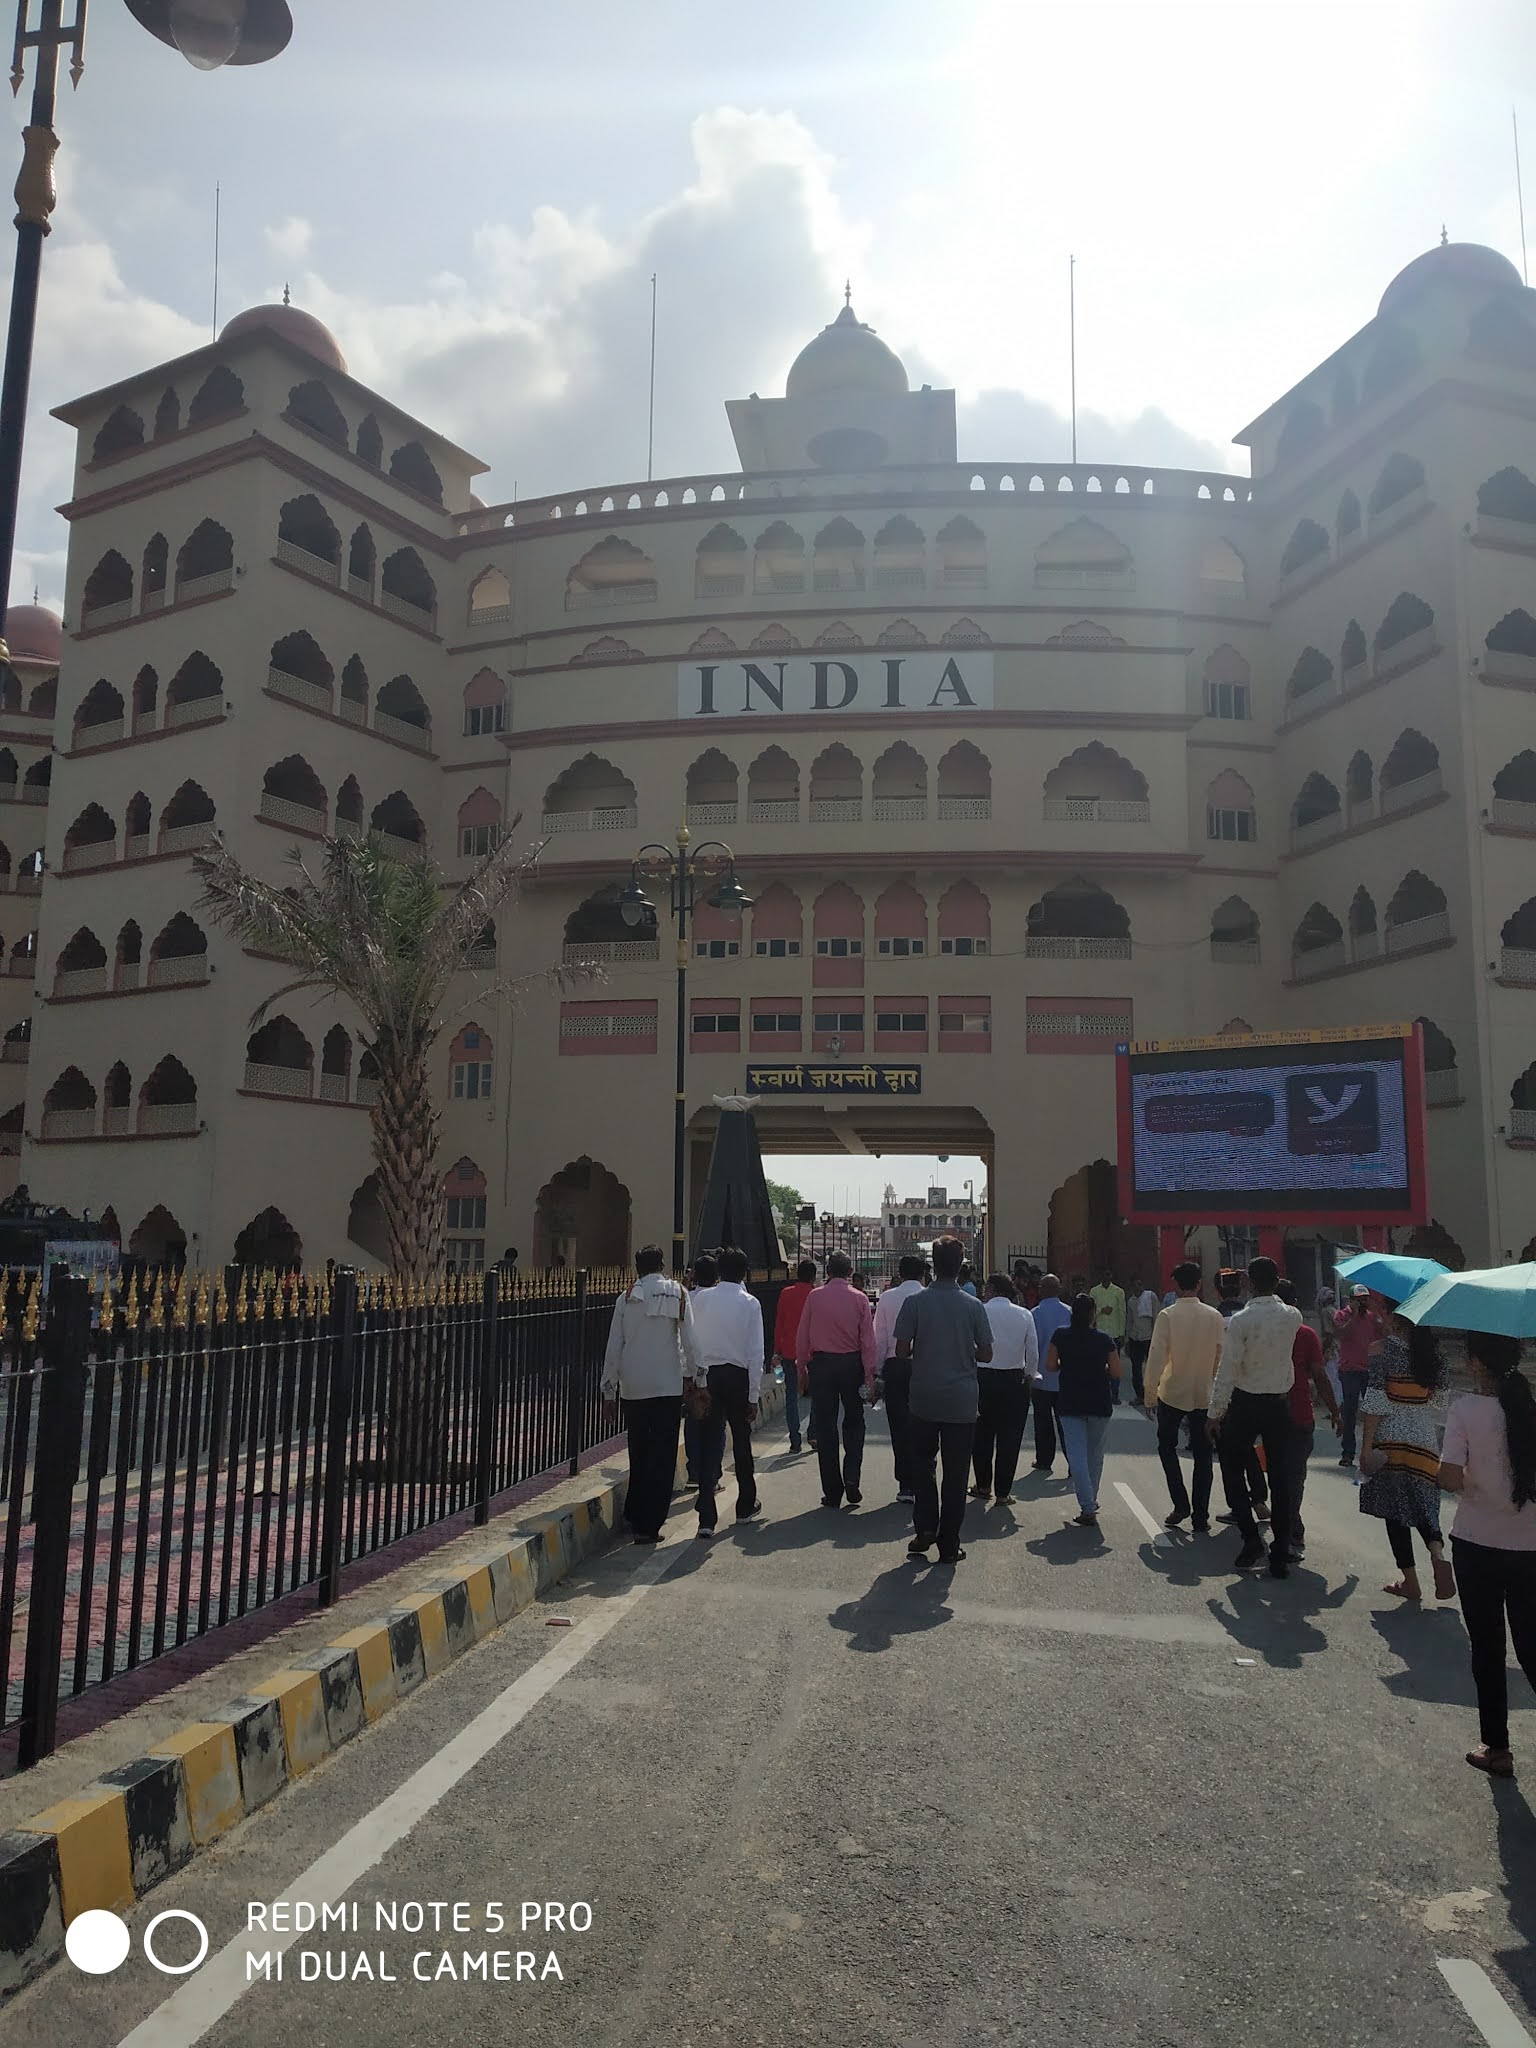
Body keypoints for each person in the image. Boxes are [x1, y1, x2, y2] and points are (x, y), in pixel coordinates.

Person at [1437, 1330, 1536, 1778]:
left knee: (1488, 1649)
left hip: (1477, 1544)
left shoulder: (1465, 1410)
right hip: (1530, 1547)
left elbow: (1450, 1478)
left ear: (1476, 1362)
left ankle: (1497, 1748)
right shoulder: (1530, 1410)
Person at [894, 1235, 994, 1562]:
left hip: (924, 1396)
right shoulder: (973, 1305)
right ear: (961, 1265)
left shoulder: (915, 1303)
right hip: (962, 1400)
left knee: (922, 1466)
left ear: (932, 1266)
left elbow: (901, 1350)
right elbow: (987, 1354)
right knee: (956, 1473)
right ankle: (949, 1542)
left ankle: (924, 1528)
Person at [1207, 1256, 1300, 1577]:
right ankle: (1280, 1550)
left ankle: (1250, 1538)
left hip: (1245, 1402)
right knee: (1281, 1478)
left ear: (1248, 1283)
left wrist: (1215, 1412)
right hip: (1278, 1402)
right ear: (1277, 1281)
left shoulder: (1241, 1321)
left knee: (1233, 1470)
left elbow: (1228, 1369)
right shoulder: (1293, 1316)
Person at [601, 1245, 699, 1544]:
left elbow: (613, 1346)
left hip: (633, 1386)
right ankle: (650, 1523)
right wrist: (698, 1377)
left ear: (637, 1267)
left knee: (639, 1451)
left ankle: (634, 1512)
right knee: (662, 1454)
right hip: (666, 1385)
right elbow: (690, 1341)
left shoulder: (626, 1297)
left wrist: (608, 1389)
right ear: (662, 1265)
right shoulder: (678, 1293)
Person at [1358, 1307, 1455, 1602]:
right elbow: (1441, 1402)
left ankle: (1410, 1582)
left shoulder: (1381, 1351)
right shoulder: (1433, 1355)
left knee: (1395, 1512)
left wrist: (1365, 1450)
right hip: (1424, 1439)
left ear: (1397, 1317)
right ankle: (1437, 1554)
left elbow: (1375, 1403)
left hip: (1391, 1439)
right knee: (1424, 1504)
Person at [686, 1246, 764, 1534]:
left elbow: (690, 1341)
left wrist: (692, 1376)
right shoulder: (750, 1303)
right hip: (738, 1377)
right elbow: (756, 1353)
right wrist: (754, 1396)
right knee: (742, 1444)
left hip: (707, 1375)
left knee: (708, 1441)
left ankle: (706, 1515)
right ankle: (745, 1505)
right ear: (744, 1273)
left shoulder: (701, 1299)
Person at [1143, 1260, 1224, 1531]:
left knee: (1166, 1447)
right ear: (1200, 1284)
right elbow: (1220, 1356)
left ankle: (1180, 1504)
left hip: (1172, 1391)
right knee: (1204, 1455)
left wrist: (1150, 1393)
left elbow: (1156, 1356)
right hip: (1204, 1392)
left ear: (1176, 1286)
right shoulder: (1214, 1316)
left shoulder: (1167, 1315)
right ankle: (1200, 1515)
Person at [796, 1250, 877, 1508]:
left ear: (827, 1272)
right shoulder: (860, 1299)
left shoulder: (815, 1296)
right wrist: (869, 1375)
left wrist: (801, 1370)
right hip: (851, 1364)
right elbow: (868, 1341)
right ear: (850, 1272)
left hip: (822, 1365)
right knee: (854, 1422)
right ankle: (852, 1475)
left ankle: (832, 1491)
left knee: (826, 1427)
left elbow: (802, 1337)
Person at [1276, 1278, 1342, 1561]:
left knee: (1280, 1476)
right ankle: (1291, 1525)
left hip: (1270, 1413)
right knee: (1295, 1476)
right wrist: (1336, 1412)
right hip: (1299, 1413)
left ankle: (1289, 1525)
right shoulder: (1305, 1334)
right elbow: (1320, 1376)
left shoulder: (1259, 1332)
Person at [1045, 1294, 1121, 1526]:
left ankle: (1087, 1505)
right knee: (1095, 1456)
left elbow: (1050, 1366)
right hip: (1099, 1401)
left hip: (1070, 1401)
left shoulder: (1060, 1335)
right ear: (1092, 1314)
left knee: (1076, 1455)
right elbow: (1117, 1373)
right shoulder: (1105, 1339)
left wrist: (1065, 1364)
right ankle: (1090, 1500)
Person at [971, 1273, 1040, 1505]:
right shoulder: (1024, 1314)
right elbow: (1032, 1351)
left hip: (982, 1378)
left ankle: (982, 1486)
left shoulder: (979, 1311)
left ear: (990, 1289)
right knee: (1010, 1438)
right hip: (1014, 1379)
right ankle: (1003, 1492)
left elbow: (970, 1344)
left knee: (981, 1435)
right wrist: (1030, 1376)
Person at [874, 1254, 927, 1503]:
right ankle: (922, 1478)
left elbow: (880, 1337)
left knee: (898, 1426)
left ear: (901, 1273)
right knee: (924, 1424)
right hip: (924, 1366)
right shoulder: (928, 1297)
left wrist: (876, 1371)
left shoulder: (887, 1298)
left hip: (895, 1365)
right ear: (922, 1274)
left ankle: (905, 1483)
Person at [773, 1259, 818, 1454]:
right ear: (813, 1276)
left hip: (790, 1352)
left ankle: (795, 1440)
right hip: (813, 1353)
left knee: (791, 1397)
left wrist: (776, 1351)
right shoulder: (816, 1295)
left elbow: (779, 1324)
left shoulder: (786, 1294)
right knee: (817, 1396)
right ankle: (814, 1433)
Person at [1030, 1275, 1073, 1475]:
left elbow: (1032, 1347)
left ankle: (1044, 1460)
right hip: (1065, 1378)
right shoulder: (1070, 1312)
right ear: (1059, 1289)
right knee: (1067, 1423)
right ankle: (1073, 1462)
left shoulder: (1034, 1314)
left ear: (1041, 1289)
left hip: (1041, 1377)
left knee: (1043, 1421)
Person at [1332, 1285, 1377, 1468]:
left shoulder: (1372, 1318)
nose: (1363, 1302)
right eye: (1359, 1299)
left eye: (1365, 1299)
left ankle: (1373, 1451)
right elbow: (1343, 1333)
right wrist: (1354, 1316)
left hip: (1368, 1370)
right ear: (1351, 1300)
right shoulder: (1342, 1315)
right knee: (1350, 1413)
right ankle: (1348, 1453)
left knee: (1373, 1412)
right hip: (1349, 1370)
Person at [1089, 1269, 1127, 1404]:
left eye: (1109, 1274)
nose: (1107, 1276)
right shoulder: (1094, 1291)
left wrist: (1122, 1333)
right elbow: (1091, 1312)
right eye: (1105, 1274)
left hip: (1115, 1334)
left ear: (1112, 1276)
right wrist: (1101, 1311)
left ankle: (1114, 1396)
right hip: (1098, 1333)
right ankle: (1099, 1394)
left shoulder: (1118, 1292)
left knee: (1114, 1366)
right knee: (1098, 1366)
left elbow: (1122, 1312)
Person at [1126, 1278, 1160, 1409]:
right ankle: (1140, 1396)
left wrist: (1157, 1335)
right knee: (1136, 1368)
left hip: (1149, 1337)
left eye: (1140, 1284)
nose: (1138, 1287)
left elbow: (1157, 1315)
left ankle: (1154, 1395)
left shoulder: (1150, 1297)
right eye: (1135, 1285)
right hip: (1136, 1337)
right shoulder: (1131, 1301)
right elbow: (1130, 1320)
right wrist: (1128, 1339)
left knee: (1153, 1368)